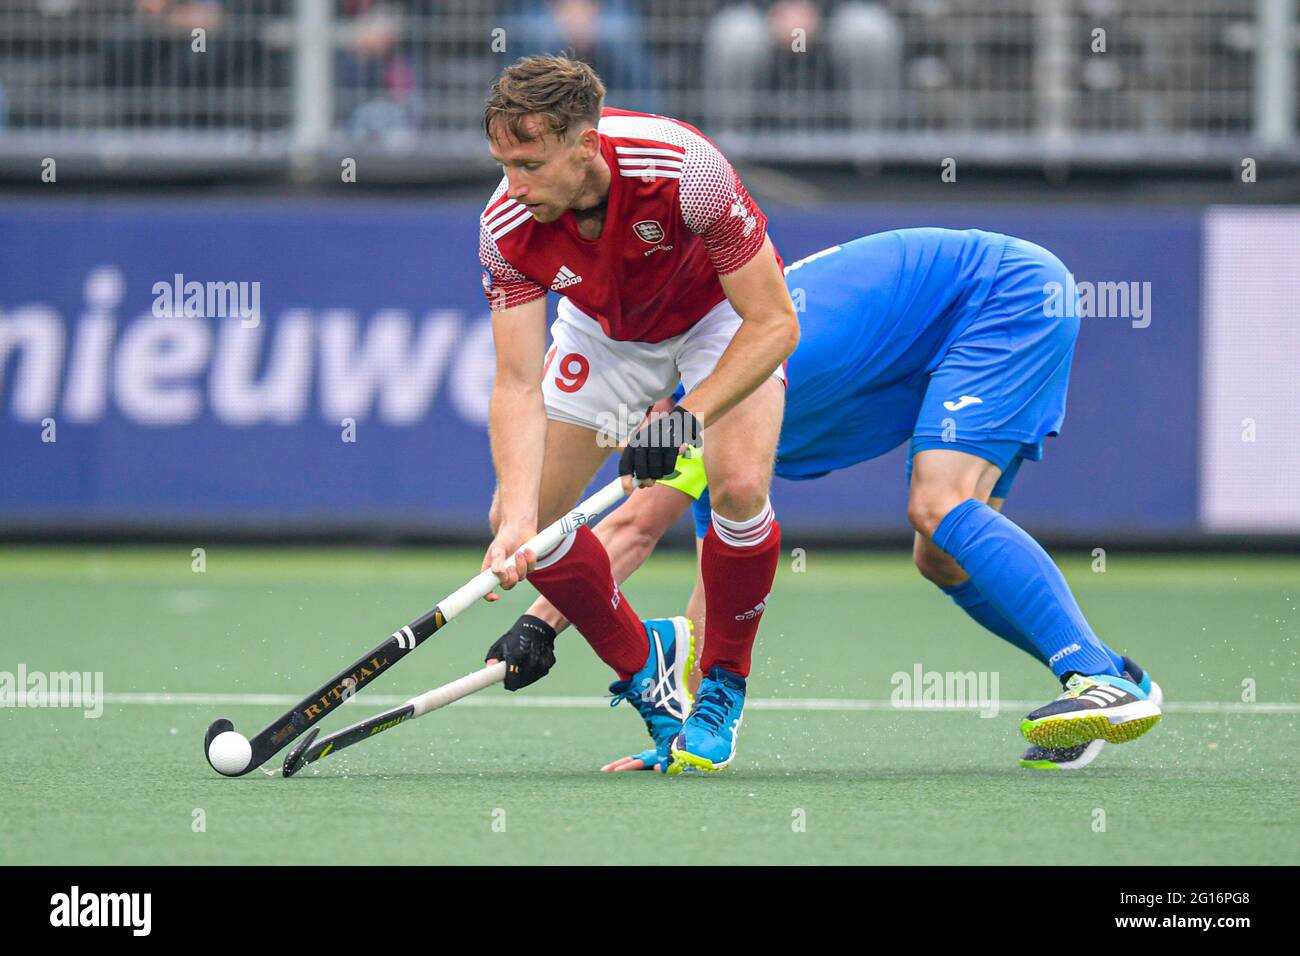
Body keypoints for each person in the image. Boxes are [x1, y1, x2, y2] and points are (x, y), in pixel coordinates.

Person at [487, 228, 1164, 772]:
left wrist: (543, 623)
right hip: (949, 336)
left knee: (939, 502)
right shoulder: (712, 433)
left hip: (1005, 295)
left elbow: (632, 527)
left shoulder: (728, 382)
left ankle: (1101, 679)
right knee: (942, 557)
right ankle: (1113, 673)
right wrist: (685, 739)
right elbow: (715, 592)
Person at [477, 54, 799, 774]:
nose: (512, 184)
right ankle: (647, 673)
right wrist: (522, 521)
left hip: (718, 317)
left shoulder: (686, 168)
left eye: (528, 163)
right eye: (502, 163)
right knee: (526, 514)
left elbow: (775, 323)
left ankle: (721, 683)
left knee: (740, 484)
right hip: (606, 336)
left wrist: (686, 417)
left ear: (585, 145)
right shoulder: (504, 226)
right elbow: (517, 383)